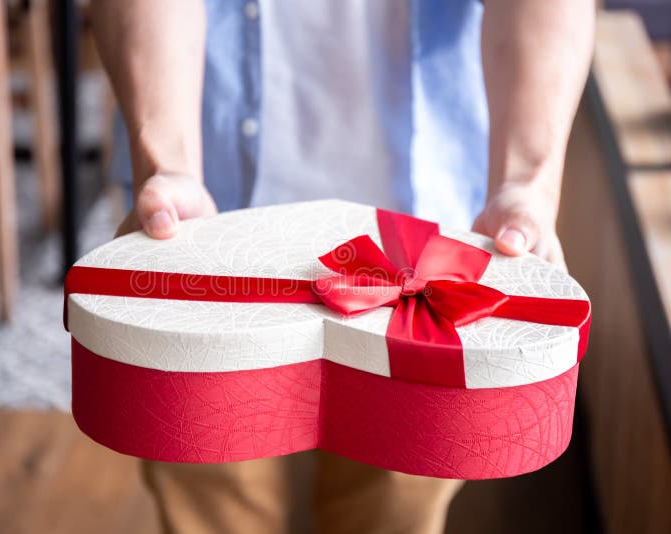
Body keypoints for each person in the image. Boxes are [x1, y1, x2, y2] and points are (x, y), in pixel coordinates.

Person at [90, 1, 594, 532]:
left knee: (397, 505)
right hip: (209, 239)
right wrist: (166, 165)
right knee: (211, 496)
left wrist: (526, 184)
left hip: (430, 260)